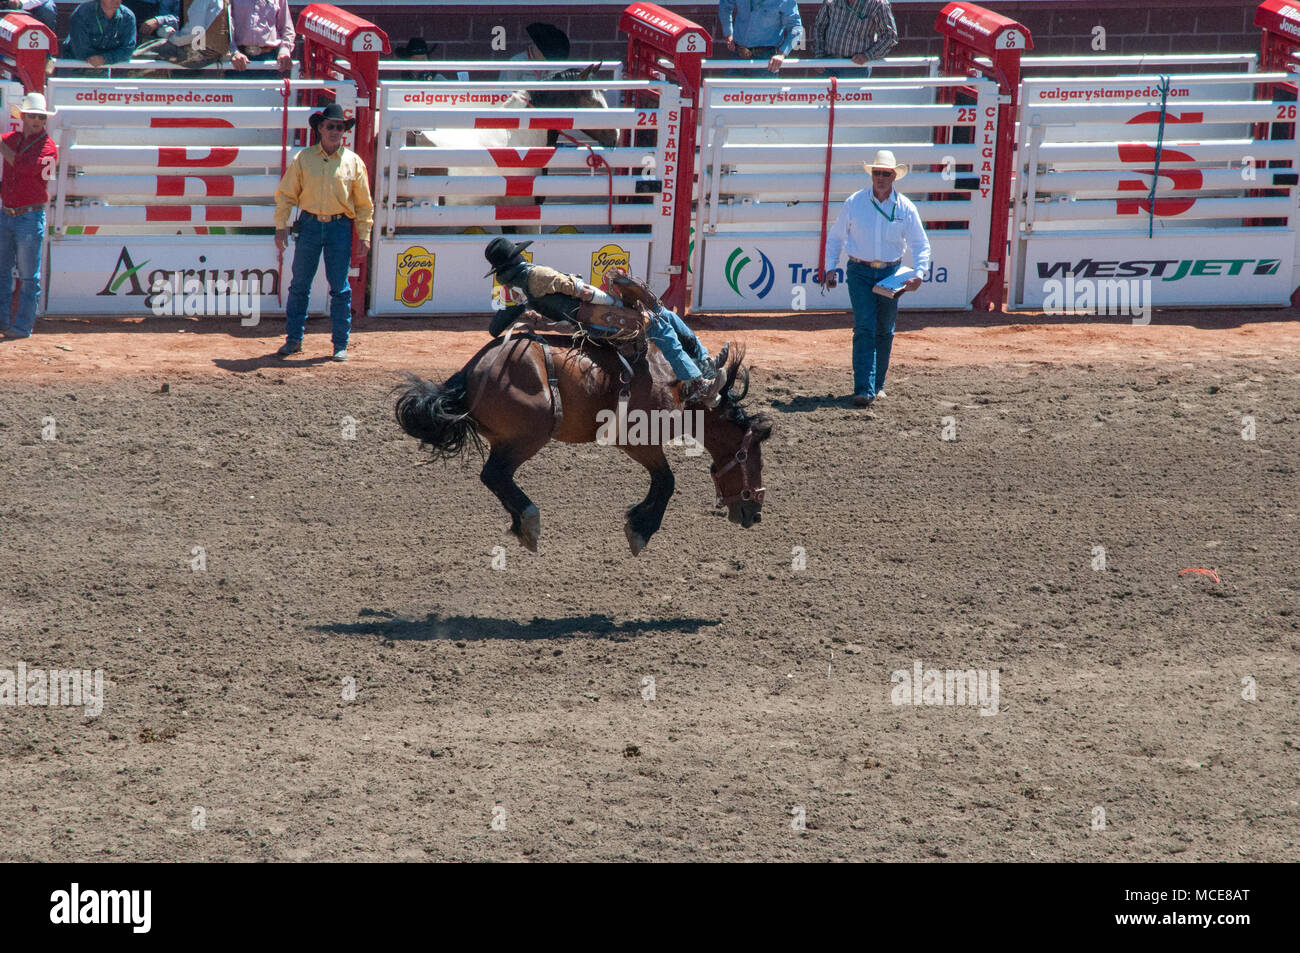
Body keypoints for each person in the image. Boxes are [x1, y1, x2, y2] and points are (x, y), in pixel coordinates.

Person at [483, 239, 729, 407]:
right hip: (598, 316)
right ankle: (698, 384)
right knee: (658, 326)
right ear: (517, 257)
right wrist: (615, 303)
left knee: (668, 316)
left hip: (586, 321)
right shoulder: (537, 274)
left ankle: (703, 362)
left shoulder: (525, 287)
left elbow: (550, 313)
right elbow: (582, 290)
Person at [821, 150, 930, 407]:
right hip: (859, 271)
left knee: (884, 330)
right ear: (872, 174)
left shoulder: (906, 207)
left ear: (894, 176)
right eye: (877, 172)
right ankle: (864, 388)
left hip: (891, 273)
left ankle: (877, 384)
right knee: (865, 327)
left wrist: (920, 272)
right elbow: (836, 237)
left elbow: (920, 243)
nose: (880, 177)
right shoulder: (854, 202)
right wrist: (830, 267)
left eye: (885, 173)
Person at [273, 103, 373, 362]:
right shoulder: (304, 159)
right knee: (300, 285)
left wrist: (364, 234)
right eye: (331, 126)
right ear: (320, 128)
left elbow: (364, 203)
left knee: (340, 288)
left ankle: (340, 344)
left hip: (340, 227)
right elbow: (286, 195)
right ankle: (294, 339)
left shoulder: (353, 162)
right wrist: (280, 226)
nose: (335, 131)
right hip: (309, 225)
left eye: (339, 127)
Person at [0, 93, 57, 340]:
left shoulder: (48, 148)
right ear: (24, 117)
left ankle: (21, 326)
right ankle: (9, 323)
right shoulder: (15, 141)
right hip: (13, 214)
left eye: (40, 117)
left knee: (27, 276)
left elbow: (24, 168)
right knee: (7, 272)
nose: (36, 120)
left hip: (28, 216)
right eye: (33, 115)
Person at [813, 0, 897, 76]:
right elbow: (819, 27)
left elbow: (889, 36)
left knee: (850, 92)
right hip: (827, 65)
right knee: (822, 92)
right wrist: (819, 56)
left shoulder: (878, 4)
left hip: (856, 67)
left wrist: (867, 55)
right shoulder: (831, 1)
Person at [718, 0, 803, 74]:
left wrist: (782, 54)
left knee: (761, 92)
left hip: (765, 60)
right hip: (738, 54)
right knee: (729, 91)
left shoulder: (785, 1)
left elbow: (796, 29)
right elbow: (724, 5)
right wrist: (728, 34)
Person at [65, 0, 137, 66]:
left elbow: (128, 50)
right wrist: (103, 59)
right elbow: (81, 50)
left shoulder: (128, 17)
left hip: (106, 68)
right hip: (74, 65)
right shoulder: (82, 13)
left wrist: (105, 59)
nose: (116, 1)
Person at [229, 0, 293, 75]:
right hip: (239, 60)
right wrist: (234, 52)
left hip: (269, 59)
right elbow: (224, 28)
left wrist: (284, 51)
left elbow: (287, 28)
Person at [499, 22, 569, 84]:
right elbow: (504, 92)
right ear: (535, 45)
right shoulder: (516, 63)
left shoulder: (555, 63)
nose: (542, 54)